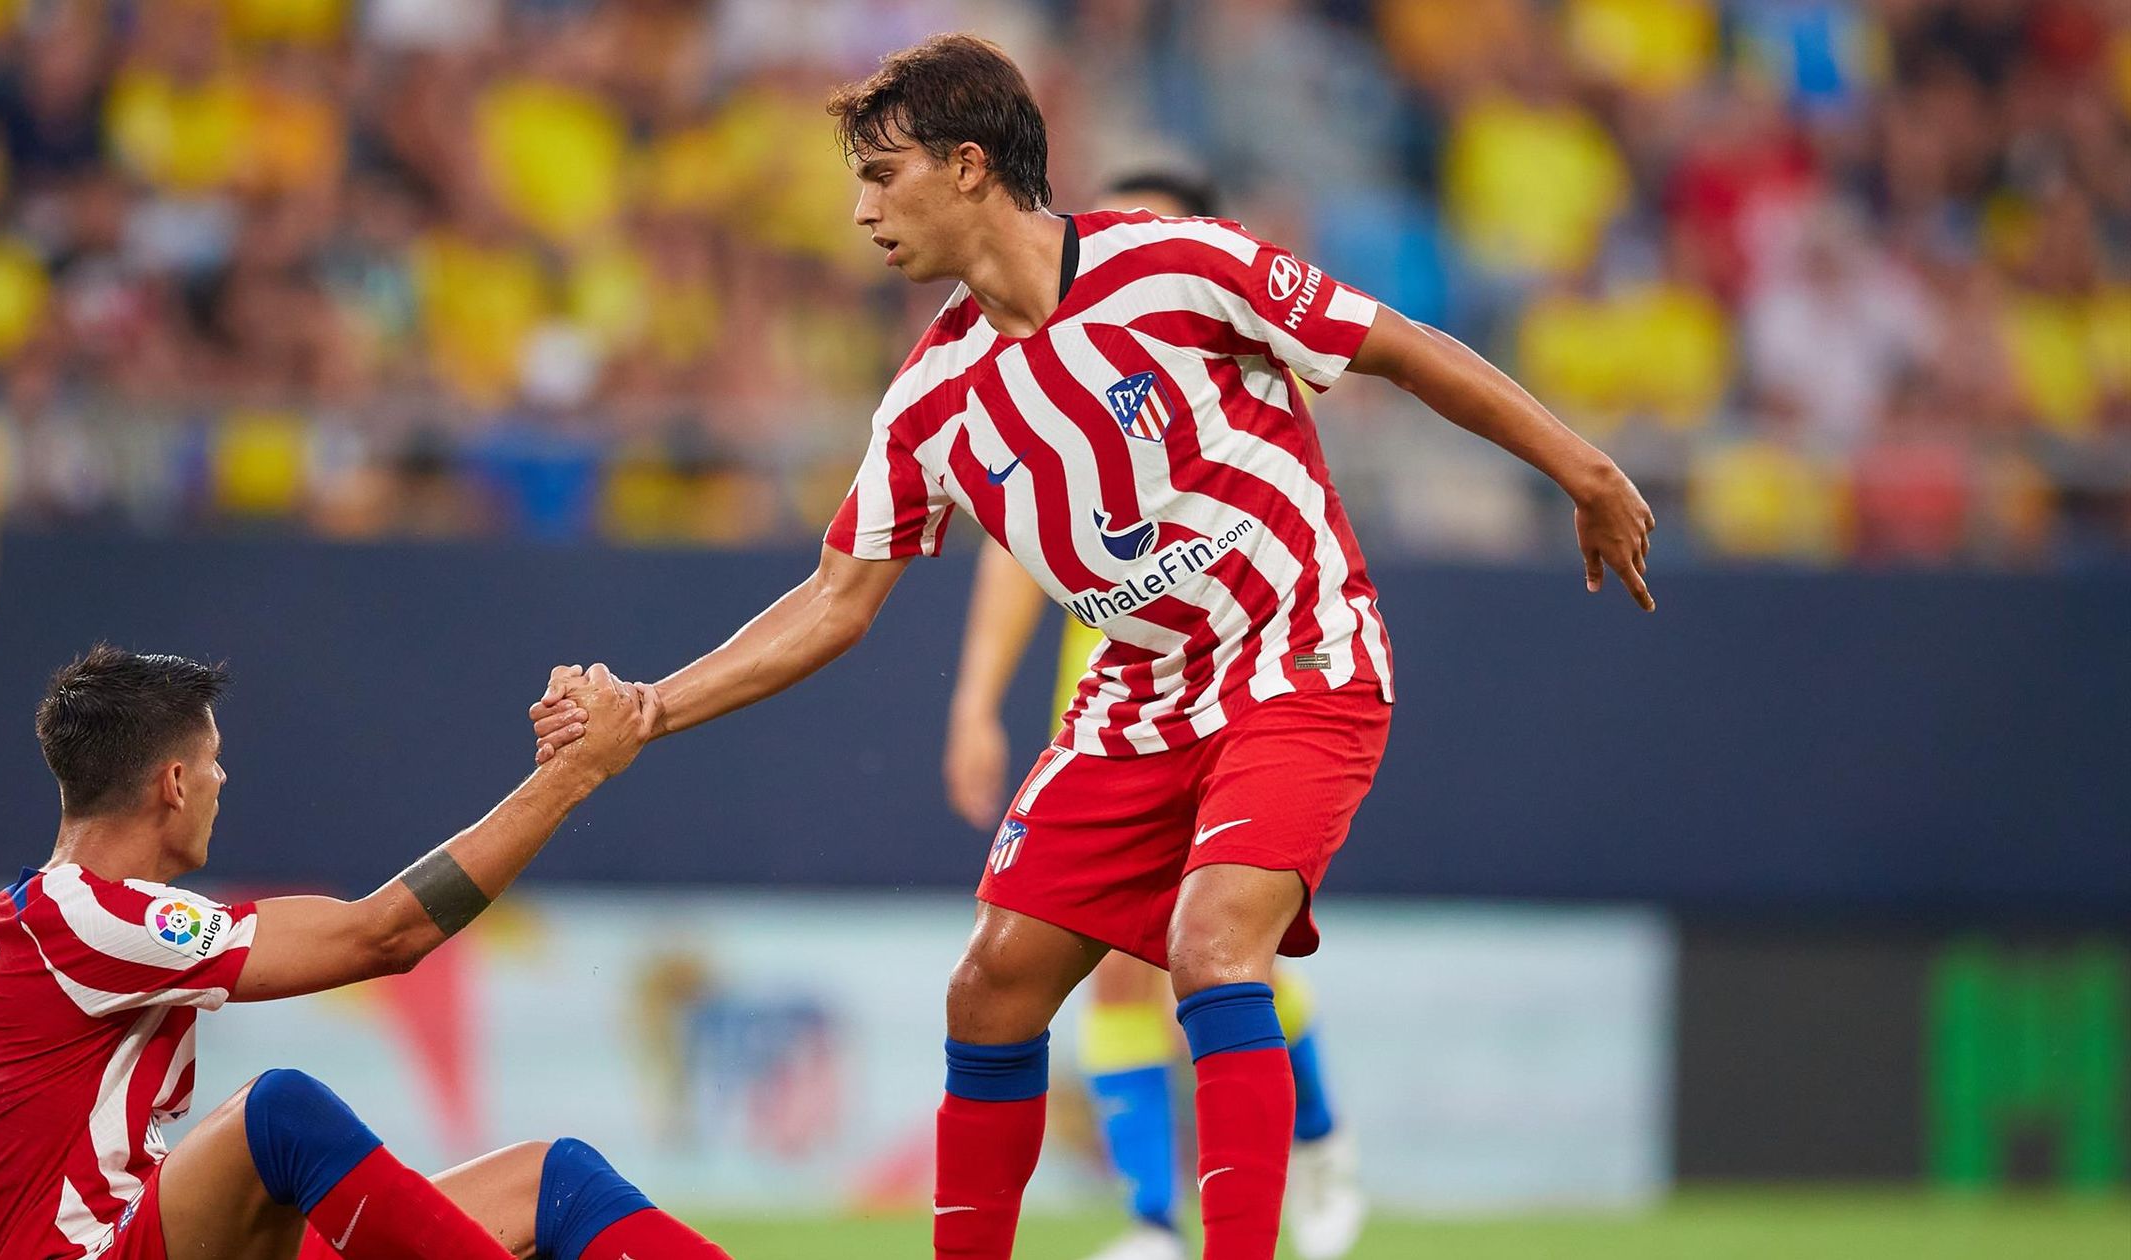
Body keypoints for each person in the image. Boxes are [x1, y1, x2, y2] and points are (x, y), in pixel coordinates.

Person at [531, 33, 1655, 1260]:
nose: (860, 212)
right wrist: (649, 708)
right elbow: (836, 598)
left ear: (969, 168)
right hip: (1140, 695)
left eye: (883, 175)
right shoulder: (931, 397)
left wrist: (1583, 471)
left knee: (1211, 940)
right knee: (991, 982)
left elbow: (1396, 344)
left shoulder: (1176, 264)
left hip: (1297, 648)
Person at [0, 645, 731, 1260]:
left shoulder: (50, 919)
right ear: (174, 782)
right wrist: (575, 773)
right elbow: (384, 934)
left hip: (130, 1234)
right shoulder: (83, 917)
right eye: (212, 761)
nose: (223, 778)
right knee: (278, 1113)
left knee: (551, 1182)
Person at [942, 169, 1364, 1260]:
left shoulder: (1218, 337)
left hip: (1257, 676)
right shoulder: (1036, 380)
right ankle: (1151, 1218)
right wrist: (978, 702)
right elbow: (1011, 550)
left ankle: (1314, 1134)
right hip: (1120, 700)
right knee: (1124, 961)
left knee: (1219, 946)